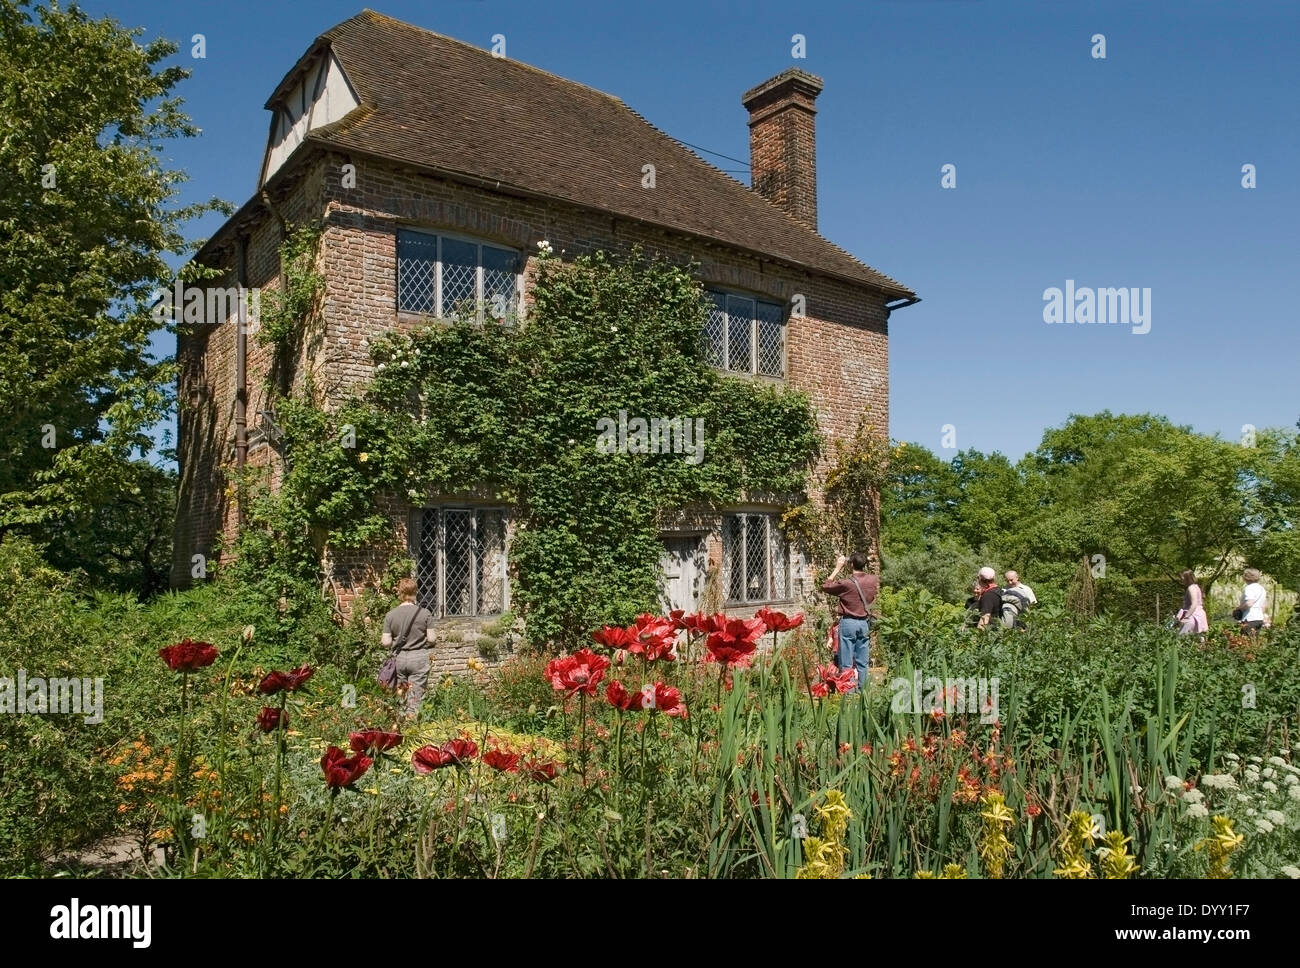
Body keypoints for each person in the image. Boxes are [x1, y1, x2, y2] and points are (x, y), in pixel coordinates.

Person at [821, 553, 879, 693]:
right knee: (863, 662)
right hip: (864, 623)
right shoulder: (872, 580)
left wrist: (837, 567)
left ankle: (849, 693)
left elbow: (826, 586)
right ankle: (862, 691)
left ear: (851, 564)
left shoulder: (846, 583)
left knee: (846, 662)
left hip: (848, 623)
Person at [382, 577, 435, 718]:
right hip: (418, 657)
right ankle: (412, 725)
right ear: (415, 592)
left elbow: (386, 642)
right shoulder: (425, 613)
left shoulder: (390, 615)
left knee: (402, 693)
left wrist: (396, 640)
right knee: (416, 695)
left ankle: (401, 722)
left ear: (400, 592)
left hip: (399, 658)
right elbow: (432, 639)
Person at [1174, 569, 1207, 641]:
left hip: (1192, 616)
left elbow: (1194, 604)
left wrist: (1185, 617)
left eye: (1182, 577)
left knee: (1180, 639)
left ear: (1187, 577)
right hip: (1199, 615)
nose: (1181, 579)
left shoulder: (1191, 588)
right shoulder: (1196, 587)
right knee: (1199, 639)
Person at [1237, 568, 1268, 636]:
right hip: (1259, 618)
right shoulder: (1262, 588)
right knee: (1254, 642)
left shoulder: (1249, 588)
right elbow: (1264, 605)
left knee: (1245, 642)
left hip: (1249, 618)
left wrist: (1239, 608)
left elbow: (1249, 603)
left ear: (1246, 577)